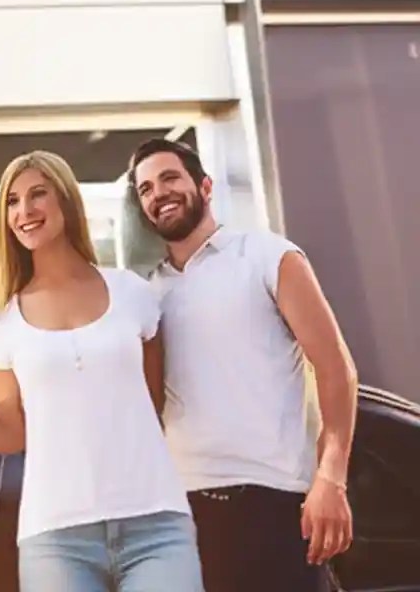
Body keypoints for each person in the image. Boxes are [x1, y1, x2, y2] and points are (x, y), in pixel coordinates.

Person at [0, 151, 204, 591]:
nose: (25, 211)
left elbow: (151, 403)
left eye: (38, 194)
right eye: (13, 202)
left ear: (66, 202)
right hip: (56, 537)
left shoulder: (133, 293)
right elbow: (11, 431)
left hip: (155, 523)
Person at [128, 138, 359, 592]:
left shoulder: (269, 256)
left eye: (170, 178)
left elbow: (336, 370)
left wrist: (331, 478)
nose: (159, 193)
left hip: (274, 504)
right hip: (184, 517)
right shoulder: (144, 293)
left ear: (206, 186)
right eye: (146, 189)